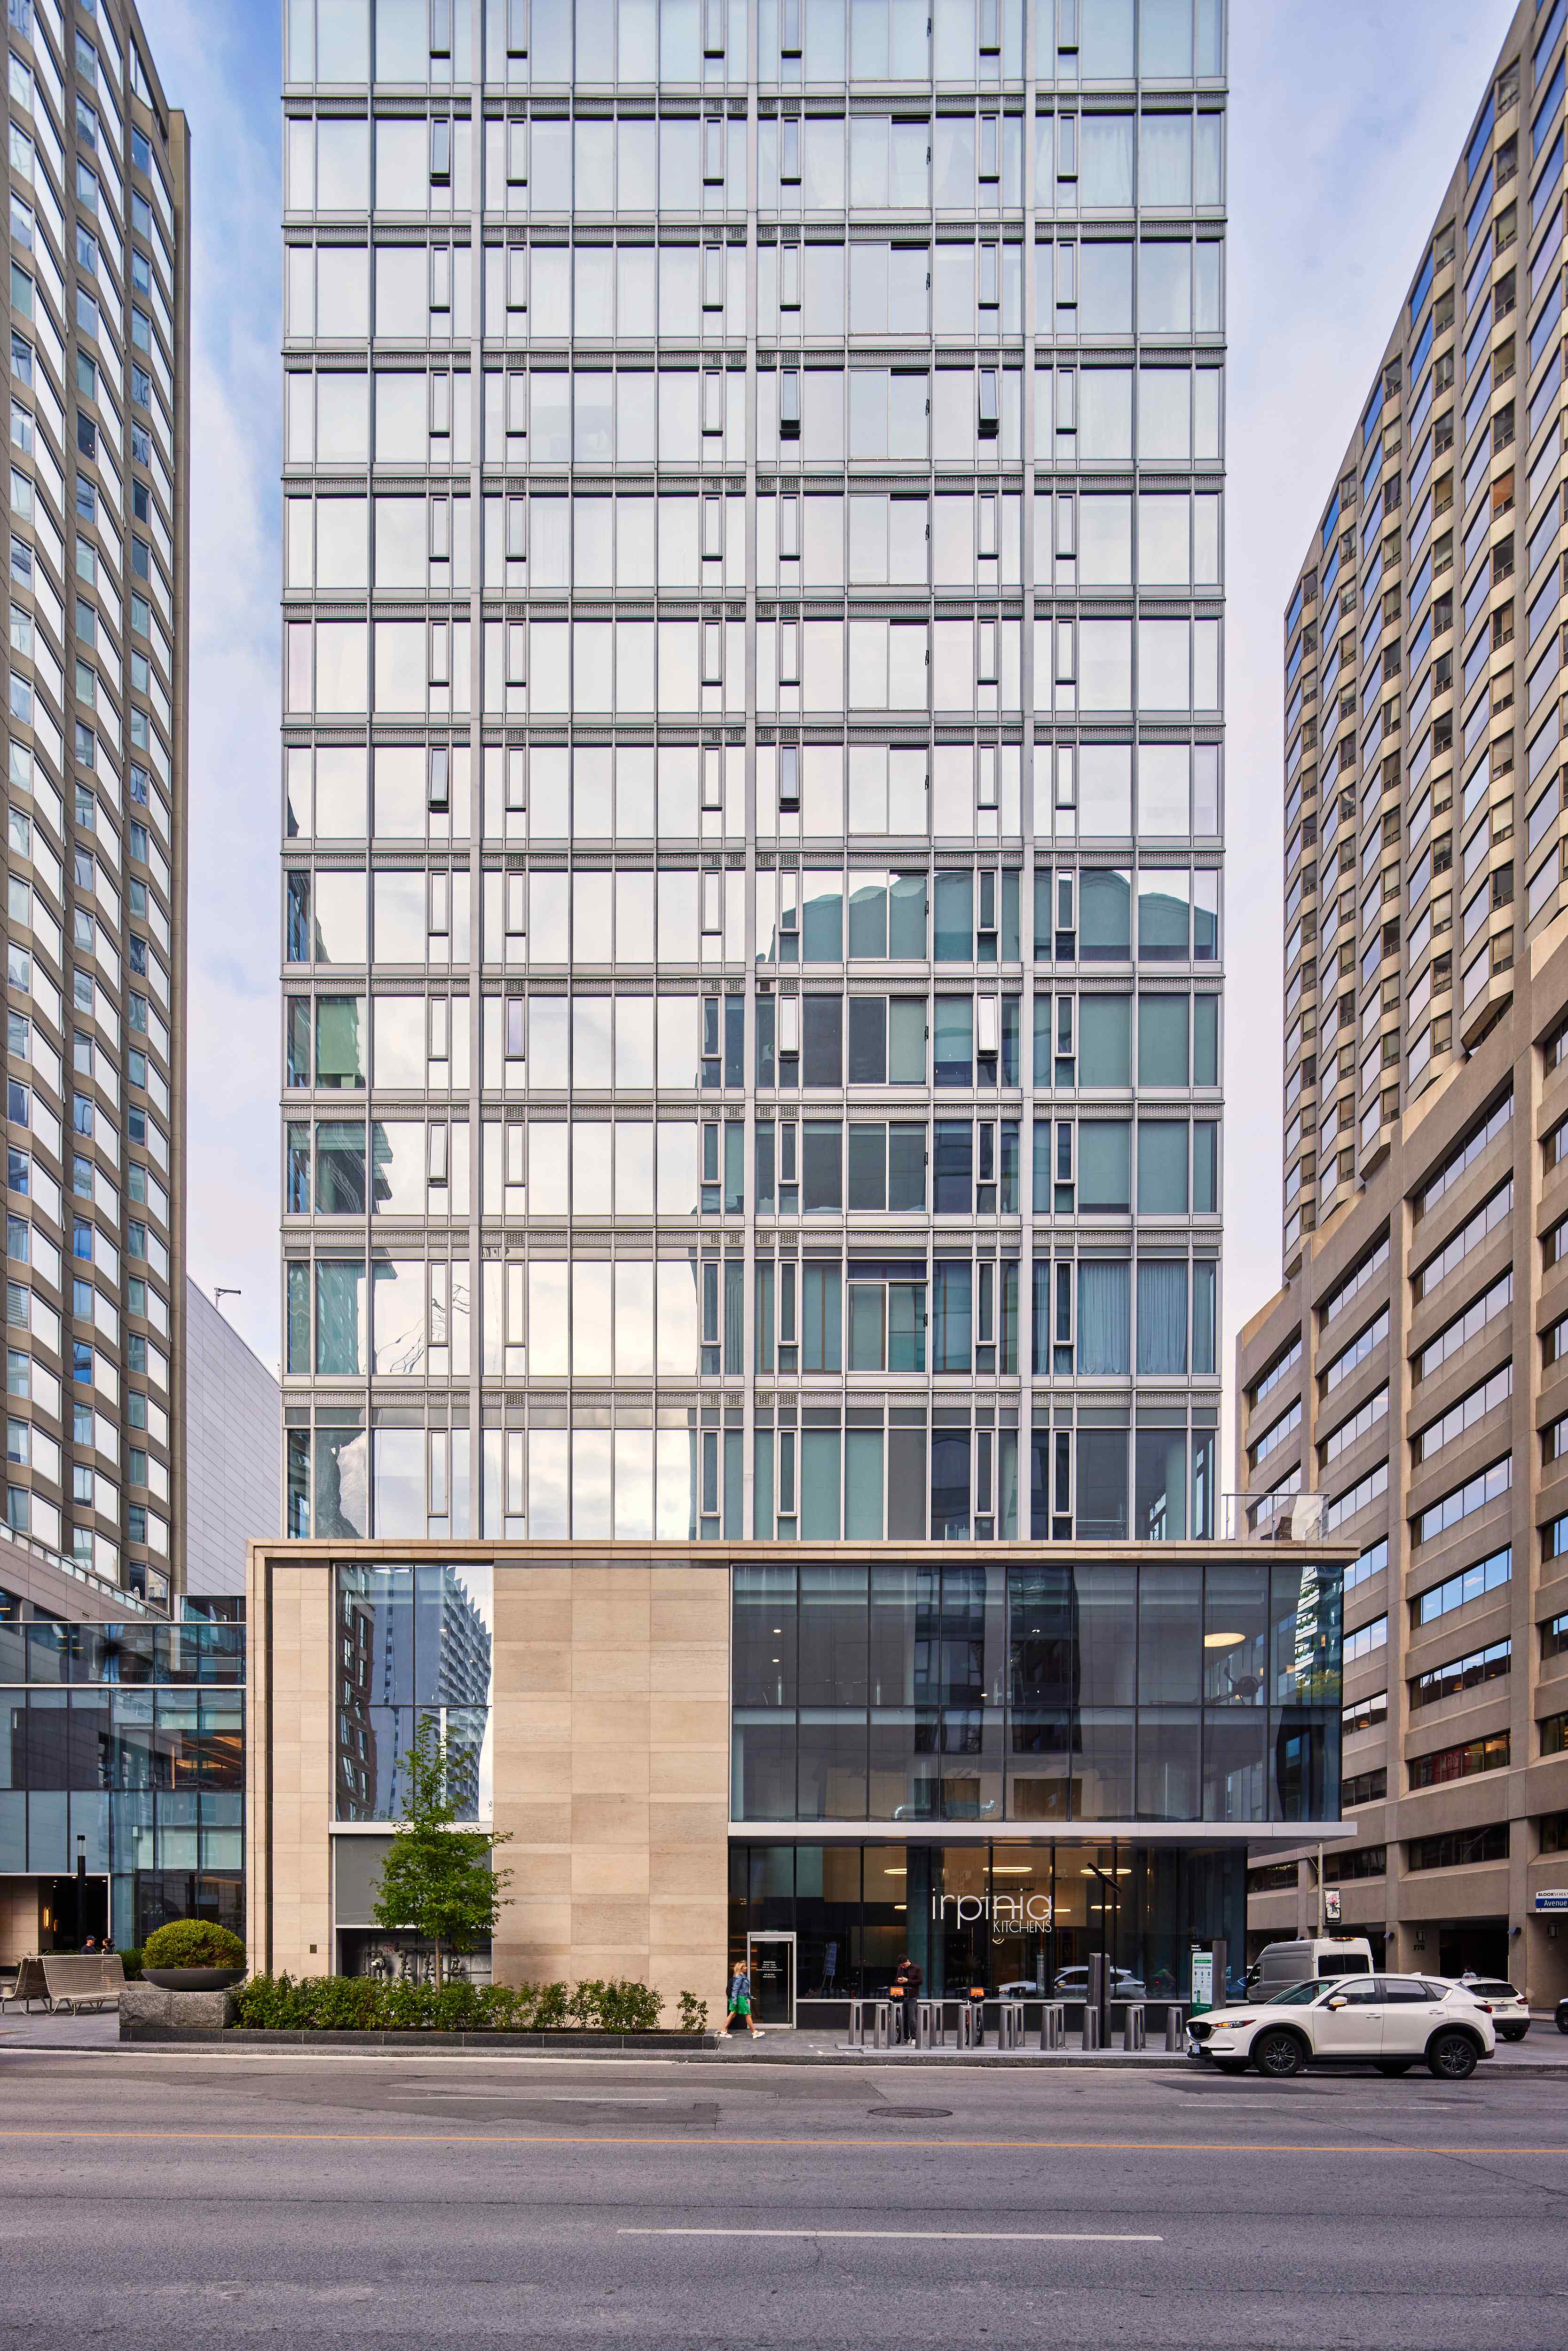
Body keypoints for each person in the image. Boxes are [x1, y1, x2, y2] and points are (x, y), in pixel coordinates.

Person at [726, 1959, 761, 2039]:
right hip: (740, 1999)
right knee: (748, 2014)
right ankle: (755, 2032)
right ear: (741, 1968)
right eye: (745, 1967)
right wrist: (735, 2001)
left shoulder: (743, 1977)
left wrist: (750, 1997)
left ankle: (724, 2031)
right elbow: (735, 1989)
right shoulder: (739, 1978)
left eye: (746, 1966)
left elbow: (744, 1989)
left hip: (742, 1997)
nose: (746, 1968)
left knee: (733, 2014)